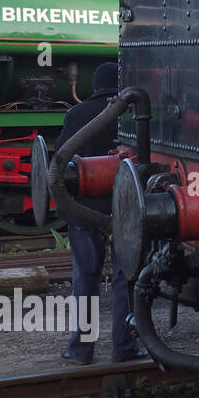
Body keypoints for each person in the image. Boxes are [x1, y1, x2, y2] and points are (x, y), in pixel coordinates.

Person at [58, 61, 146, 364]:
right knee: (126, 278)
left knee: (86, 277)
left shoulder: (76, 114)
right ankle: (124, 347)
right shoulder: (134, 113)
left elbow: (60, 166)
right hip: (125, 212)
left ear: (95, 87)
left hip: (84, 212)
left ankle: (81, 348)